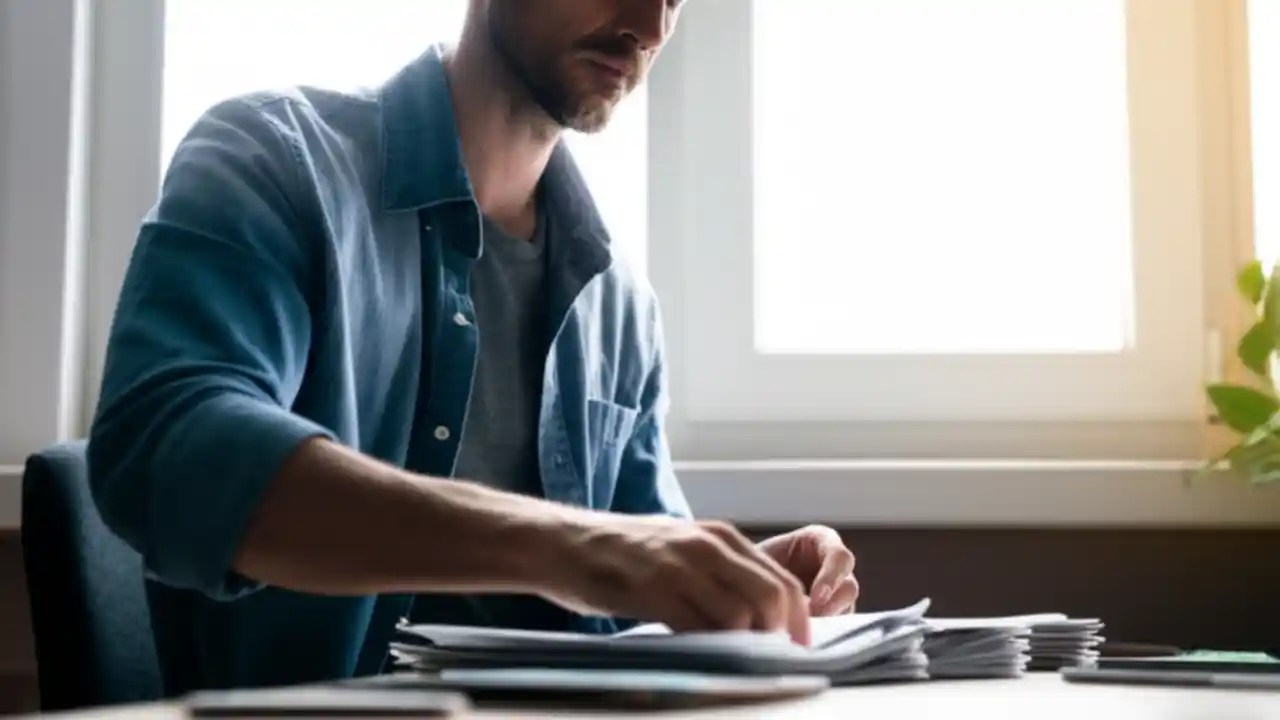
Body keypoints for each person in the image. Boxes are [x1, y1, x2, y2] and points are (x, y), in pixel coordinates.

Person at [88, 0, 859, 693]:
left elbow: (632, 591)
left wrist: (735, 586)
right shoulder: (273, 162)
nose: (650, 26)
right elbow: (166, 447)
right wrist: (576, 548)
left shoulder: (618, 304)